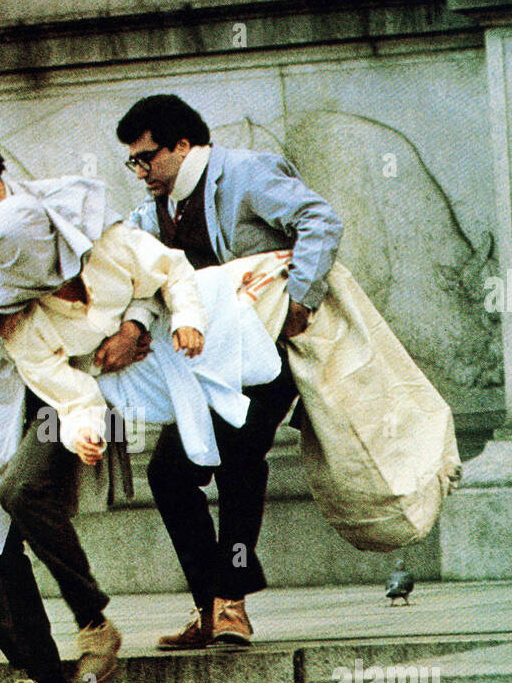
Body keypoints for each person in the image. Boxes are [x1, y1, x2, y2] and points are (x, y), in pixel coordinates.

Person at [0, 115, 144, 683]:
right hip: (12, 386)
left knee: (22, 490)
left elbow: (133, 271)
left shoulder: (65, 202)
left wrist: (133, 323)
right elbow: (4, 324)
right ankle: (44, 678)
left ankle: (95, 624)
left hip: (81, 380)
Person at [115, 94, 344, 650]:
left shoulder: (243, 171)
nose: (141, 172)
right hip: (207, 361)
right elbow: (146, 280)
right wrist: (136, 329)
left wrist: (301, 300)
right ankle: (210, 604)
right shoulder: (153, 212)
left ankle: (231, 604)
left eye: (148, 158)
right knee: (170, 471)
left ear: (183, 145)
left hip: (267, 353)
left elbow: (319, 220)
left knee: (240, 452)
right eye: (134, 162)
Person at [0, 192, 282, 477]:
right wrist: (84, 432)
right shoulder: (19, 328)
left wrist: (184, 319)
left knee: (260, 392)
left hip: (190, 322)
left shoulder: (108, 243)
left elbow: (172, 269)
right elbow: (71, 396)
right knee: (175, 471)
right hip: (138, 378)